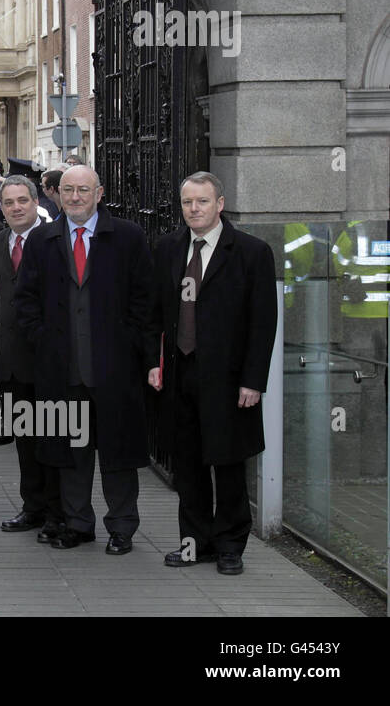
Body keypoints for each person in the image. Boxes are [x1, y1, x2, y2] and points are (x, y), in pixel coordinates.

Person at [14, 165, 158, 555]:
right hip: (61, 369)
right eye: (68, 190)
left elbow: (145, 300)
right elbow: (24, 301)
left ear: (99, 193)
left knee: (118, 453)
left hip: (115, 369)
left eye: (83, 190)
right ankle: (78, 523)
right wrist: (42, 340)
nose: (75, 197)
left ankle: (122, 526)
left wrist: (137, 351)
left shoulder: (127, 237)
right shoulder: (43, 240)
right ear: (57, 194)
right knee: (70, 451)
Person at [151, 171, 276, 576]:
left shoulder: (252, 252)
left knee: (228, 462)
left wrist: (253, 381)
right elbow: (156, 313)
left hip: (229, 379)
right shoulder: (168, 248)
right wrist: (155, 362)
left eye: (202, 201)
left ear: (219, 204)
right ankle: (195, 543)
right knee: (187, 465)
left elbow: (263, 322)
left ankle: (230, 547)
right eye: (188, 202)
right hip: (180, 374)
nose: (194, 209)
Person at [0, 175, 62, 541]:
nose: (16, 207)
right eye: (9, 202)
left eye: (23, 200)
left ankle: (57, 511)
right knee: (26, 438)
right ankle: (32, 506)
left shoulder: (54, 240)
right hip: (12, 359)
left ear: (36, 203)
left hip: (49, 359)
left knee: (53, 435)